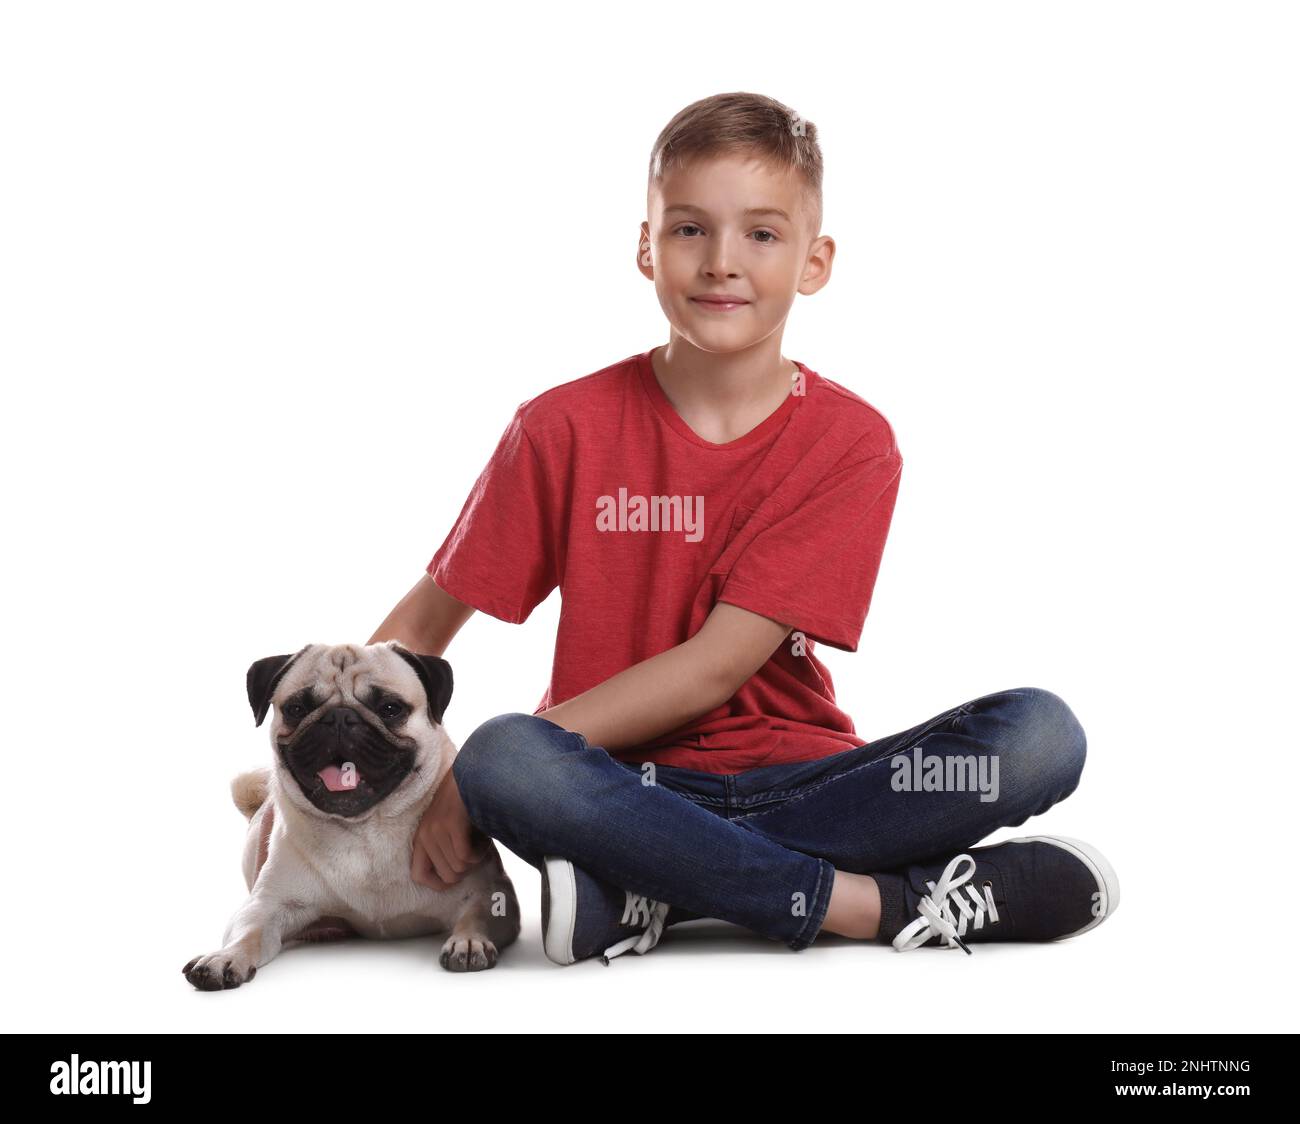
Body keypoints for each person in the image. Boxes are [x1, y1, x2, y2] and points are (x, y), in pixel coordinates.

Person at [369, 91, 1119, 966]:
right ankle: (876, 903)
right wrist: (306, 786)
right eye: (690, 229)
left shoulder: (851, 441)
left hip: (812, 783)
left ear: (814, 260)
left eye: (762, 234)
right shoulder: (559, 427)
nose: (723, 262)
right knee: (505, 757)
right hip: (606, 785)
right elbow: (419, 632)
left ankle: (659, 888)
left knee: (1039, 736)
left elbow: (715, 669)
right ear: (646, 247)